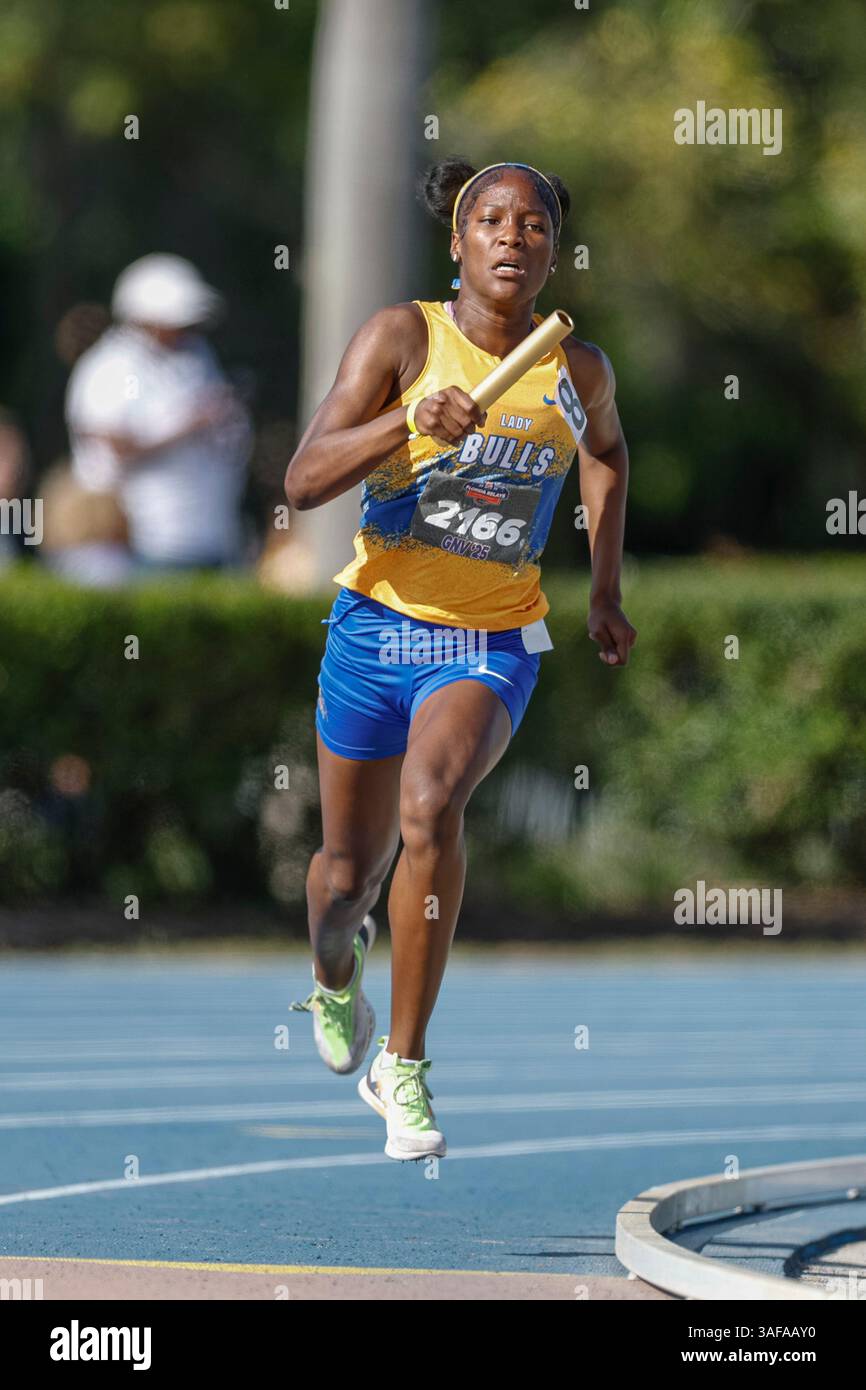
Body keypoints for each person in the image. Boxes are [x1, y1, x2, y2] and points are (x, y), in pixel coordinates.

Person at [286, 158, 636, 1161]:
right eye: (490, 220)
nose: (510, 237)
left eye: (531, 225)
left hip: (487, 640)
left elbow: (607, 452)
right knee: (341, 877)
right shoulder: (403, 338)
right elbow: (303, 478)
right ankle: (331, 969)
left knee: (432, 804)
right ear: (456, 240)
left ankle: (403, 1065)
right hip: (374, 629)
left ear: (551, 252)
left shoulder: (575, 371)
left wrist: (602, 587)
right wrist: (408, 419)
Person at [64, 254, 252, 574]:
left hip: (210, 537)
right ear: (143, 318)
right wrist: (188, 425)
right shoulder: (112, 364)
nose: (182, 330)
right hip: (145, 544)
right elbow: (112, 444)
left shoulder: (196, 357)